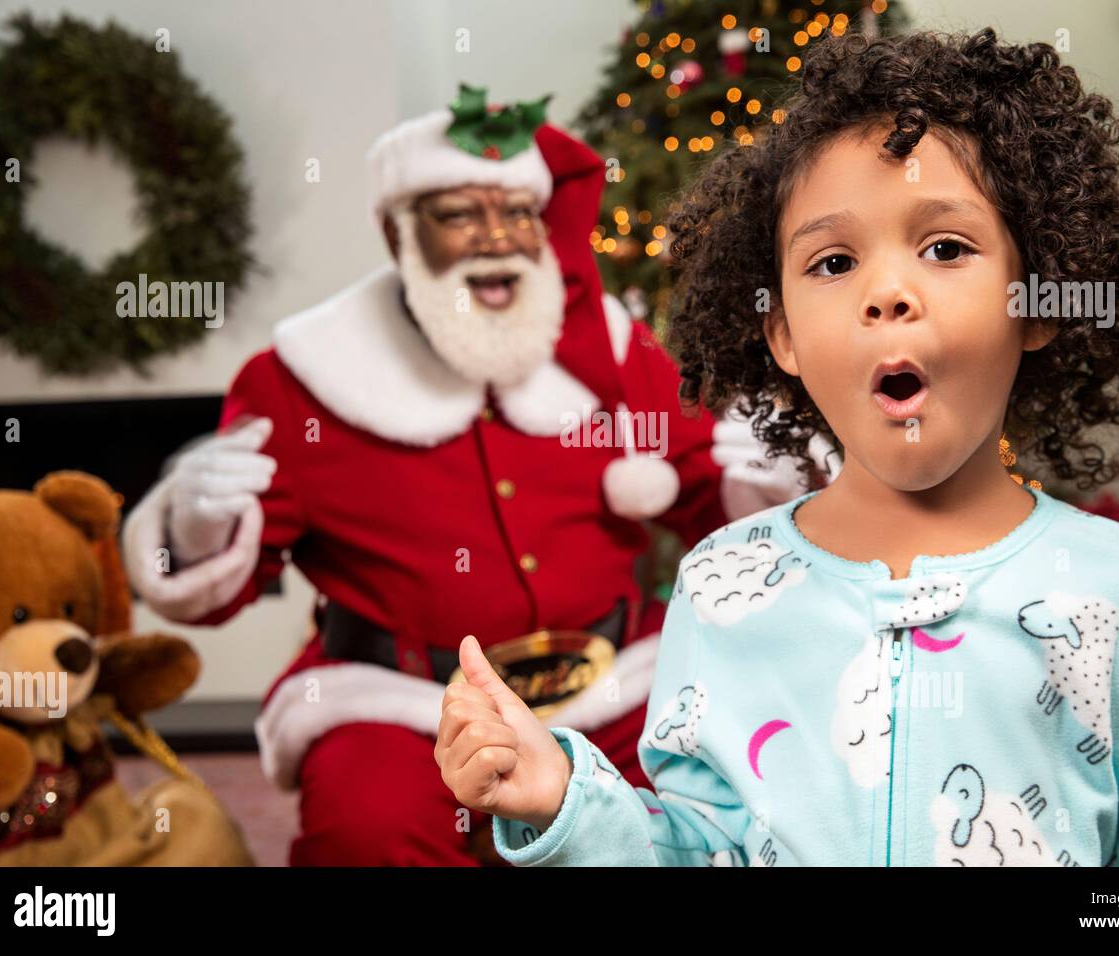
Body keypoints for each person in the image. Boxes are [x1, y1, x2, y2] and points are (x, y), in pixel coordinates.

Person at [436, 30, 1119, 866]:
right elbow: (693, 849)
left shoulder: (1117, 587)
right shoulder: (722, 587)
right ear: (783, 334)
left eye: (946, 248)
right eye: (833, 262)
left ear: (1036, 300)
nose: (886, 295)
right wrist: (563, 798)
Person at [122, 85, 816, 866]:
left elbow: (708, 505)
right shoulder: (301, 376)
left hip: (616, 683)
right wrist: (194, 526)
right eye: (459, 214)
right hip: (401, 706)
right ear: (397, 231)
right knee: (366, 835)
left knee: (725, 806)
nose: (499, 237)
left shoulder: (610, 347)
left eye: (518, 212)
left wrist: (769, 474)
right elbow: (221, 591)